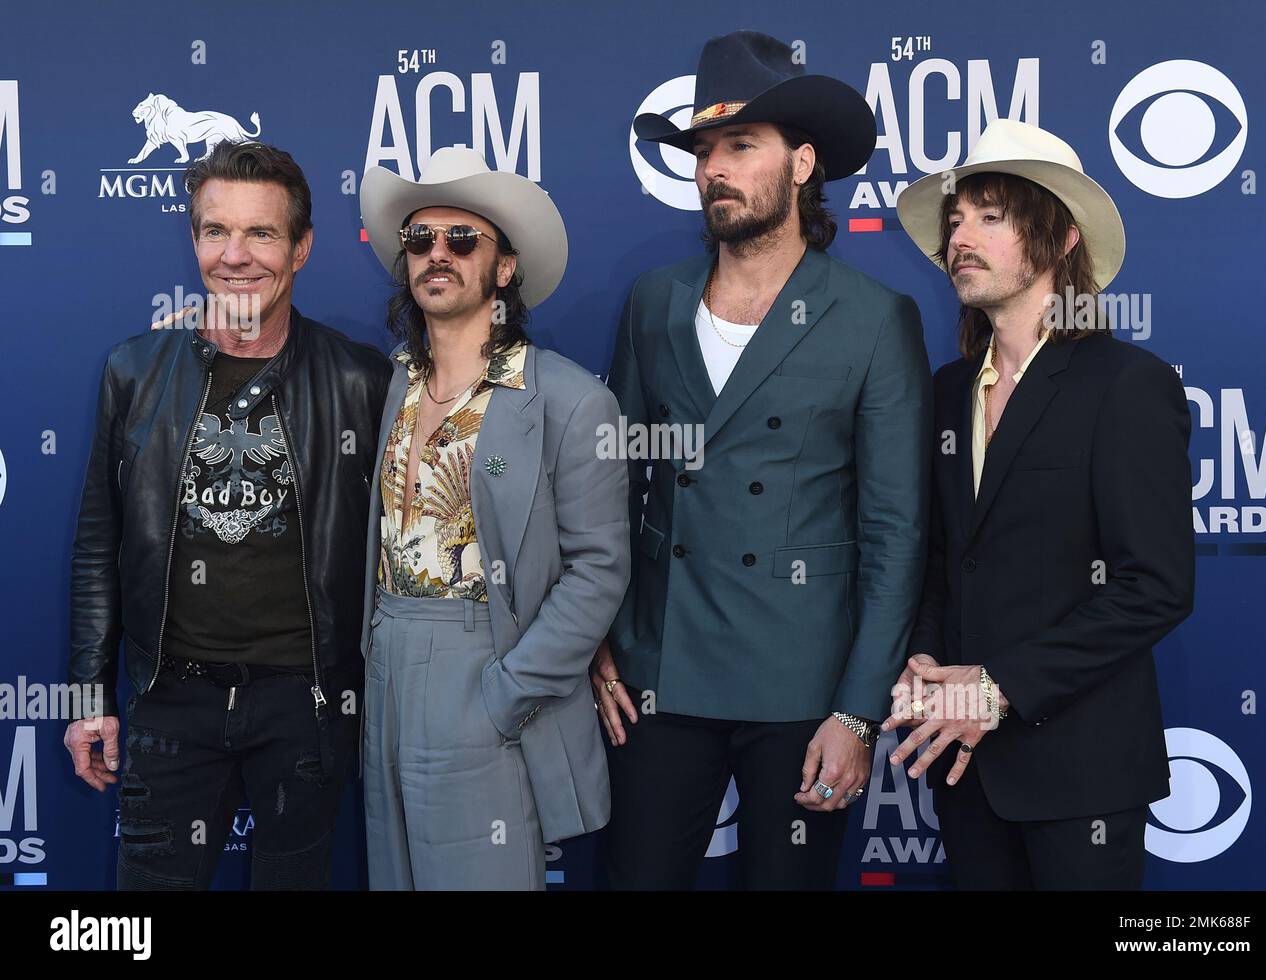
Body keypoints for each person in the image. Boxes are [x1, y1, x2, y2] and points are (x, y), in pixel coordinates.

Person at [594, 29, 932, 889]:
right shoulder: (654, 301)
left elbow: (894, 533)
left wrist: (856, 711)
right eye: (705, 151)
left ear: (803, 162)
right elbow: (615, 481)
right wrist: (600, 641)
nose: (715, 169)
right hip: (659, 673)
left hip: (801, 686)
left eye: (741, 146)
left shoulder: (872, 317)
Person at [65, 139, 391, 889]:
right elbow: (98, 547)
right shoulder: (135, 372)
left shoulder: (358, 380)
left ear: (302, 248)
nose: (236, 256)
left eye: (262, 233)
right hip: (170, 703)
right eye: (217, 231)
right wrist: (89, 695)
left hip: (304, 705)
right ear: (194, 240)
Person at [885, 119, 1195, 889]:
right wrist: (922, 658)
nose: (961, 236)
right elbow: (943, 561)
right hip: (964, 770)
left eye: (991, 216)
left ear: (1060, 241)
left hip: (1081, 775)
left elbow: (1155, 587)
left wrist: (996, 689)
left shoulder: (1126, 383)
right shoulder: (948, 391)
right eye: (956, 220)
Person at [356, 147, 630, 890]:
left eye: (461, 239)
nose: (436, 254)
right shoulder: (380, 388)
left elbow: (600, 569)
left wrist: (508, 693)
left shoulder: (571, 402)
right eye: (419, 239)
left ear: (504, 268)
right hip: (384, 666)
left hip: (487, 669)